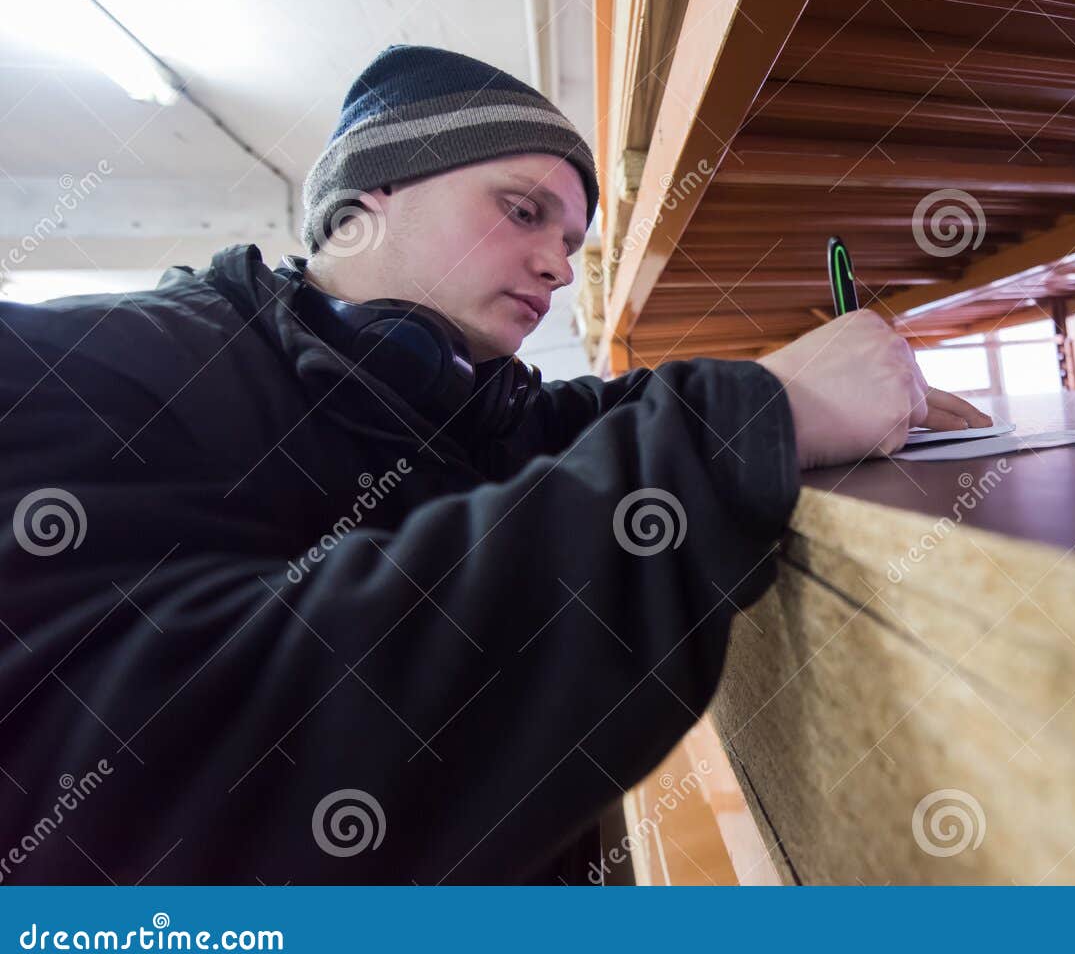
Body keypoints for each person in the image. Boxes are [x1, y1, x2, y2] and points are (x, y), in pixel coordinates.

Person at [0, 45, 990, 883]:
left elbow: (591, 421)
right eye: (523, 213)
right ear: (366, 199)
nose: (560, 267)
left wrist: (790, 394)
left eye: (570, 240)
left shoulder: (457, 405)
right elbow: (153, 783)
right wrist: (757, 421)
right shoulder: (74, 369)